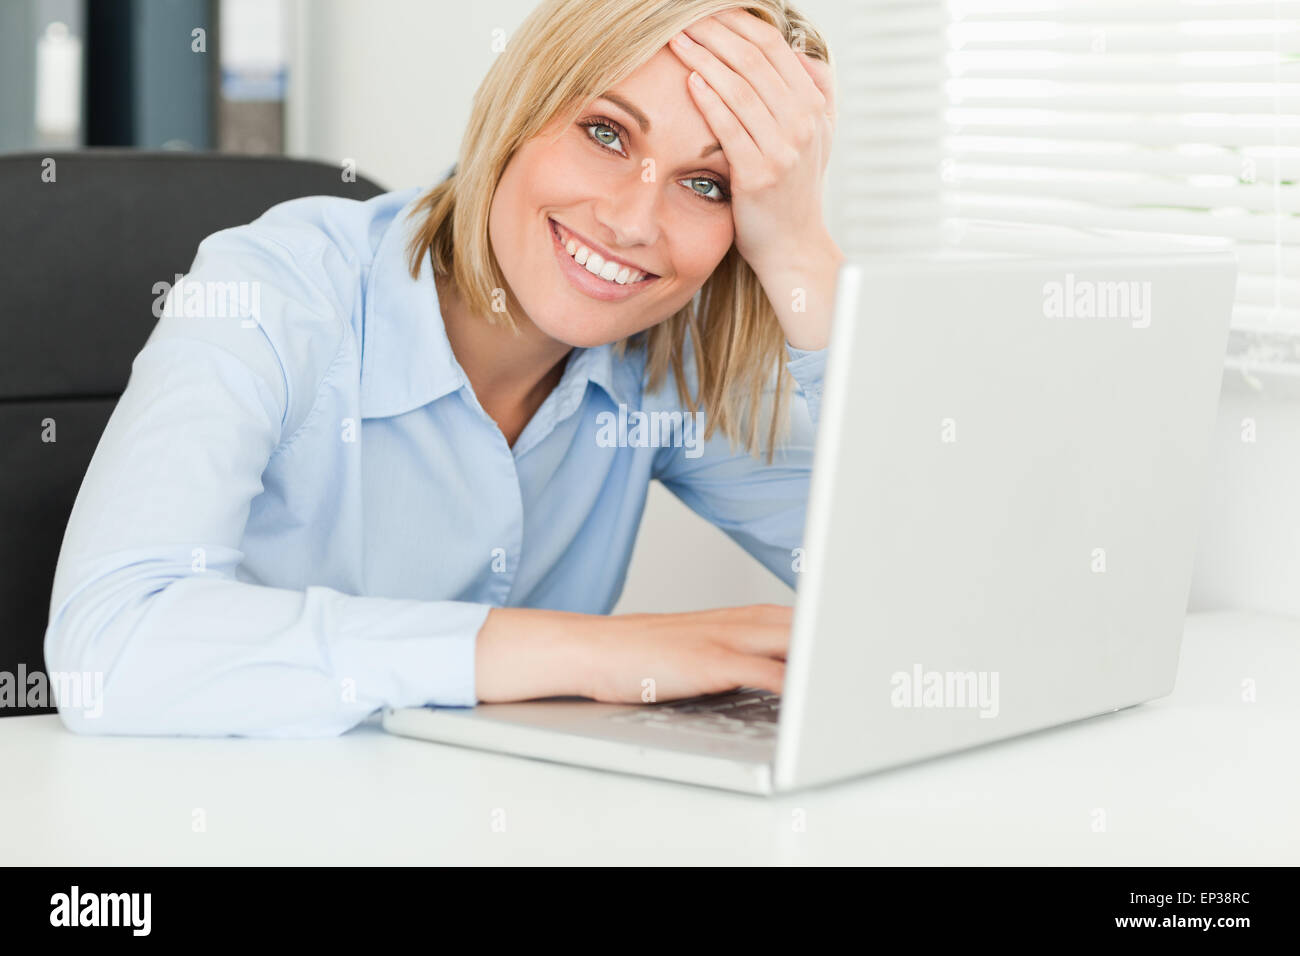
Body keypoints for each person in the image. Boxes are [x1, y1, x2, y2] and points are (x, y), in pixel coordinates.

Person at [44, 0, 842, 736]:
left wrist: (803, 251)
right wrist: (590, 653)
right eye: (606, 132)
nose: (634, 222)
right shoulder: (275, 290)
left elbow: (925, 592)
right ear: (519, 107)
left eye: (707, 185)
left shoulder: (668, 354)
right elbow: (110, 647)